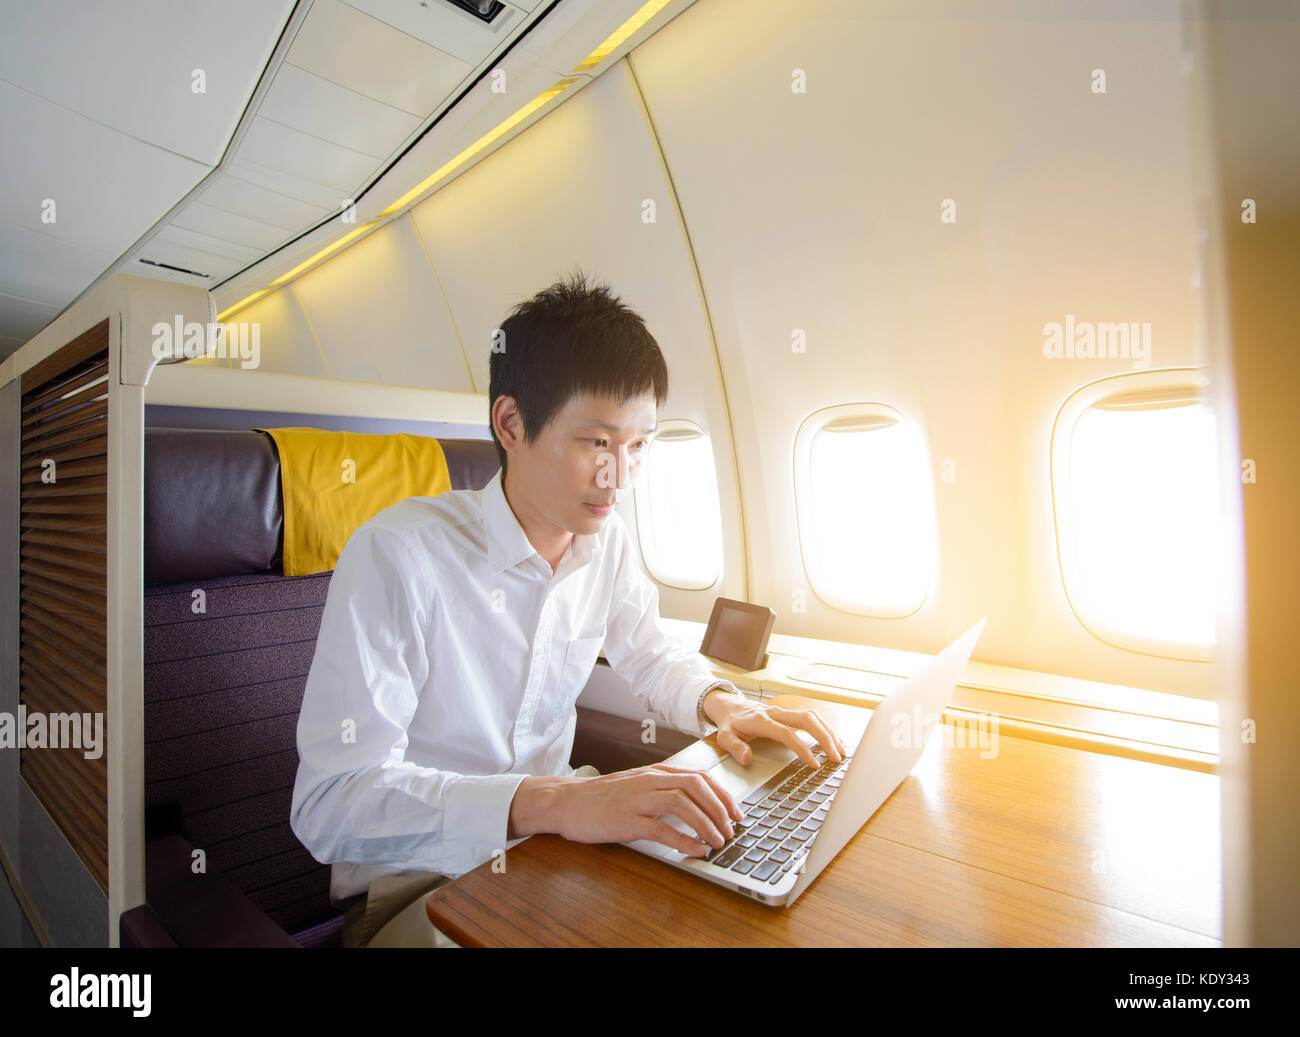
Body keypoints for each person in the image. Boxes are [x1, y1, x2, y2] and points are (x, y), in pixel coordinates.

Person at [290, 269, 844, 947]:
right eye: (597, 443)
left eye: (638, 445)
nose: (621, 477)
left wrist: (720, 702)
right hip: (422, 884)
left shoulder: (603, 541)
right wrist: (556, 800)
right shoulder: (398, 556)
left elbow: (647, 649)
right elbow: (331, 801)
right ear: (512, 422)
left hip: (553, 848)